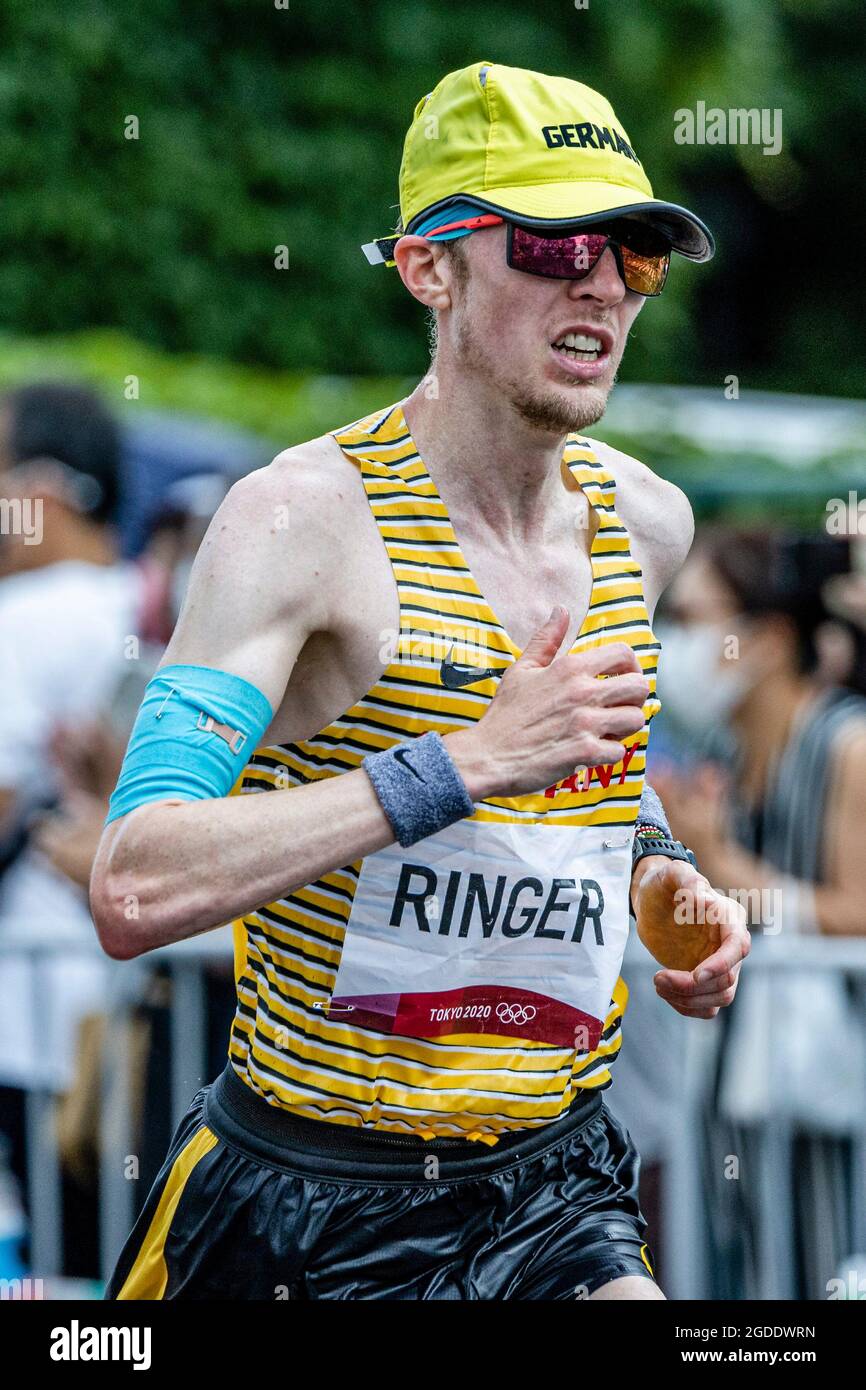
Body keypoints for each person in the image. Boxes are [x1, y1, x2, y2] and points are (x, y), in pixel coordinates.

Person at [92, 62, 748, 1302]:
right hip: (306, 1202)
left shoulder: (645, 525)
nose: (602, 285)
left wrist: (659, 871)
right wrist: (463, 762)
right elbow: (136, 878)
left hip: (551, 1184)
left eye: (634, 255)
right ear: (427, 267)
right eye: (552, 245)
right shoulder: (298, 522)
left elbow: (591, 791)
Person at [0, 381, 141, 1275]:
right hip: (134, 1015)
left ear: (42, 491)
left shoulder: (28, 618)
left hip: (31, 1017)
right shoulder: (148, 600)